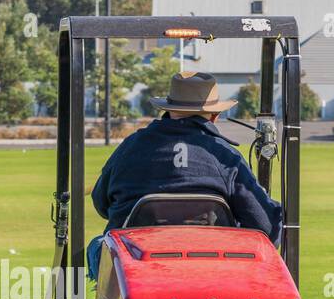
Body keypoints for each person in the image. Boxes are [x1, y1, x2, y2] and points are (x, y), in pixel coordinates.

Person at [88, 71, 283, 277]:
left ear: (169, 110)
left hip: (136, 268)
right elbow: (267, 228)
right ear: (214, 116)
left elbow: (101, 204)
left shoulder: (131, 147)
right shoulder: (226, 156)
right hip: (209, 266)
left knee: (97, 246)